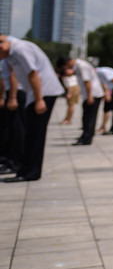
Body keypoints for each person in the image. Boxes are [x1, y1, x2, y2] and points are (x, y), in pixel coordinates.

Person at [0, 35, 65, 182]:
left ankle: (31, 172)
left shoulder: (21, 49)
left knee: (35, 134)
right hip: (35, 94)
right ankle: (25, 169)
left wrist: (39, 100)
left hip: (44, 93)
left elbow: (33, 73)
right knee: (30, 133)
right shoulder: (12, 53)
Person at [64, 55, 104, 146]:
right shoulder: (79, 66)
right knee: (87, 117)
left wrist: (90, 96)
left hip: (93, 94)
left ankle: (86, 137)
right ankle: (86, 135)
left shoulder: (82, 66)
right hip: (91, 94)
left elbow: (87, 81)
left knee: (89, 117)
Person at [59, 62, 79, 126]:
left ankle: (68, 119)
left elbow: (69, 86)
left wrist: (69, 93)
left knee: (70, 105)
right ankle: (68, 119)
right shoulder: (67, 77)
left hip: (72, 89)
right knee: (70, 105)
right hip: (74, 88)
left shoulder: (68, 77)